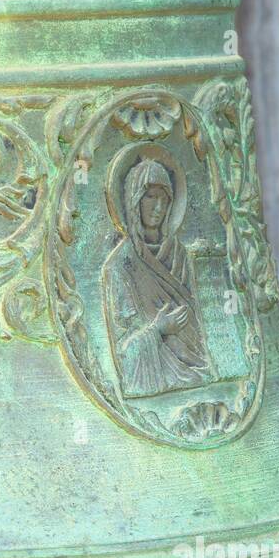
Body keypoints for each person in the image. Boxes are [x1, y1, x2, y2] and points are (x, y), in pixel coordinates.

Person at [103, 156, 213, 397]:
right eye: (150, 197)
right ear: (134, 201)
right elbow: (124, 348)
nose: (158, 207)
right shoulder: (121, 265)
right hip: (156, 369)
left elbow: (197, 324)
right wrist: (159, 329)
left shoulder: (179, 256)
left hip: (193, 365)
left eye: (164, 198)